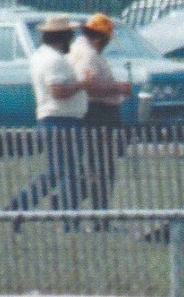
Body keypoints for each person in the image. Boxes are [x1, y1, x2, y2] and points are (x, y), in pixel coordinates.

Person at [7, 15, 89, 223]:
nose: (72, 41)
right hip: (61, 121)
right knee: (63, 173)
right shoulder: (56, 60)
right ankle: (19, 207)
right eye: (70, 36)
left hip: (52, 119)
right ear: (63, 37)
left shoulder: (40, 56)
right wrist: (83, 84)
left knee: (64, 173)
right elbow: (58, 91)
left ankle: (68, 220)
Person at [71, 13, 131, 223]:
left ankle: (92, 211)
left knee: (98, 168)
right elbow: (88, 86)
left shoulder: (82, 51)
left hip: (96, 114)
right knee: (102, 169)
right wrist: (117, 87)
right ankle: (96, 215)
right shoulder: (88, 55)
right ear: (100, 38)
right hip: (97, 114)